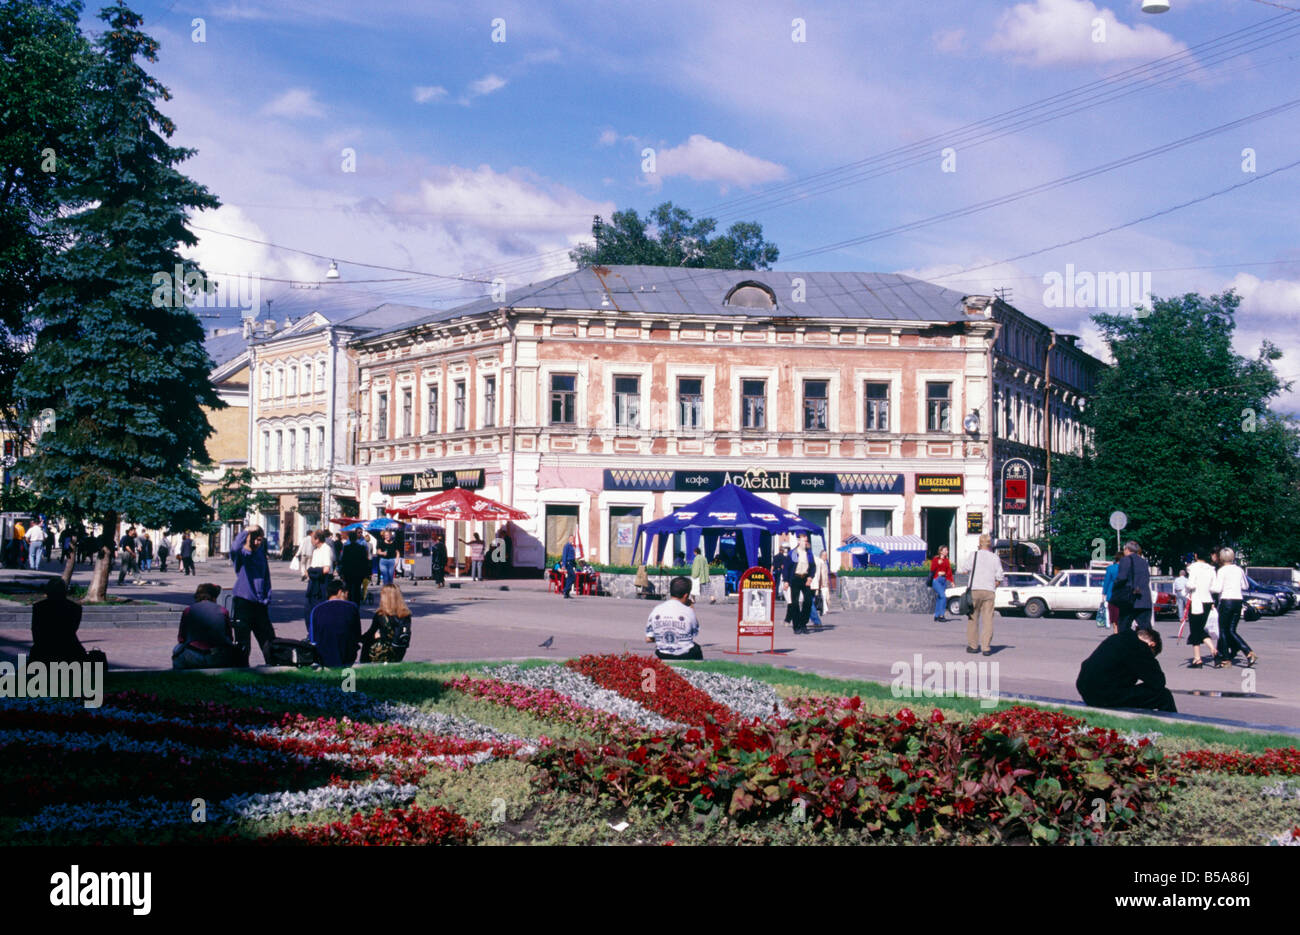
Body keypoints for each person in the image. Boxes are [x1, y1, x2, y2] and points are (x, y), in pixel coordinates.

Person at [1076, 628, 1176, 712]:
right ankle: (1173, 729)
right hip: (1104, 696)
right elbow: (1158, 682)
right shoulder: (1139, 647)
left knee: (1136, 692)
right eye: (1152, 655)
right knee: (1163, 695)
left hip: (1086, 690)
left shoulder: (1118, 638)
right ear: (1152, 644)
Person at [230, 526, 276, 665]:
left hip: (260, 603)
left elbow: (266, 576)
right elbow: (234, 548)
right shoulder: (242, 555)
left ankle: (274, 665)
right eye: (254, 540)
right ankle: (242, 669)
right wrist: (246, 530)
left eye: (260, 540)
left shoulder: (261, 554)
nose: (257, 543)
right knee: (243, 642)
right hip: (243, 601)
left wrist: (267, 596)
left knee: (268, 638)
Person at [172, 583, 240, 670]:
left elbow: (181, 638)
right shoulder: (223, 611)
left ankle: (179, 676)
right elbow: (229, 637)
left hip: (193, 655)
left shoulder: (188, 610)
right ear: (214, 597)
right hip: (217, 655)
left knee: (177, 650)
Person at [1212, 547, 1256, 668]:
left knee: (1223, 631)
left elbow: (1217, 589)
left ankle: (1226, 659)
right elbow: (1245, 586)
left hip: (1226, 601)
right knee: (1231, 630)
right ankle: (1248, 652)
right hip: (1238, 601)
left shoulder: (1222, 571)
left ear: (1221, 558)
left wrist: (1209, 586)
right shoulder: (1239, 570)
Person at [30, 577, 90, 664]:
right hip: (69, 648)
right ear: (65, 592)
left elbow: (35, 630)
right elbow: (72, 629)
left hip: (44, 647)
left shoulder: (39, 607)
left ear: (48, 591)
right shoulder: (75, 608)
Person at [962, 533, 1004, 656]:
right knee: (988, 619)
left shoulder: (973, 555)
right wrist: (995, 584)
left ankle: (973, 646)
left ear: (979, 544)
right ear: (990, 544)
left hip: (975, 590)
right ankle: (986, 647)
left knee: (973, 618)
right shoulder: (995, 558)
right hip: (989, 591)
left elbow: (965, 569)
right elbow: (1000, 576)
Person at [644, 575, 702, 660]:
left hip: (663, 653)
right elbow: (694, 632)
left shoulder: (657, 610)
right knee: (696, 648)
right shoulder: (688, 611)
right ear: (686, 595)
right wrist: (691, 608)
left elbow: (648, 638)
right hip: (684, 654)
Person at [308, 577, 362, 667]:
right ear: (340, 592)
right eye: (346, 593)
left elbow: (313, 637)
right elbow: (357, 634)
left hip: (323, 656)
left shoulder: (316, 610)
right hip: (347, 655)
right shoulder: (352, 607)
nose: (347, 596)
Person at [361, 584, 413, 663]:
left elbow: (370, 632)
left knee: (368, 642)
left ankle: (364, 664)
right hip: (399, 649)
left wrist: (359, 638)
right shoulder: (405, 614)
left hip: (384, 651)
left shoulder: (380, 615)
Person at [1185, 550, 1219, 668]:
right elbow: (1215, 588)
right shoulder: (1211, 569)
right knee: (1200, 629)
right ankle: (1213, 650)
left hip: (1196, 601)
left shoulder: (1193, 568)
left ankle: (1198, 658)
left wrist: (1188, 588)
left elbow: (1190, 584)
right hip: (1208, 601)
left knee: (1195, 629)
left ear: (1195, 555)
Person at [1111, 540, 1153, 634]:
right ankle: (1149, 646)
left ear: (1127, 549)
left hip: (1129, 600)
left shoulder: (1125, 560)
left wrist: (1115, 587)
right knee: (1146, 629)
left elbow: (1121, 578)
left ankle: (1127, 646)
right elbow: (1146, 579)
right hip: (1144, 599)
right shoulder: (1144, 562)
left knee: (1124, 627)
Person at [782, 533, 816, 635]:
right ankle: (796, 626)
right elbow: (787, 568)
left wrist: (810, 576)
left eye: (806, 541)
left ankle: (803, 623)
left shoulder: (809, 554)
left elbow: (813, 567)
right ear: (799, 541)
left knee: (808, 602)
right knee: (795, 603)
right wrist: (786, 581)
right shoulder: (793, 553)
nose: (805, 543)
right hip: (795, 578)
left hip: (805, 578)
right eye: (803, 541)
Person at [303, 529, 335, 628]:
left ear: (317, 539)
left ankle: (318, 632)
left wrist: (312, 571)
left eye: (312, 538)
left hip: (322, 583)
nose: (311, 540)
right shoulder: (316, 550)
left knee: (319, 608)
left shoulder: (326, 549)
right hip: (314, 582)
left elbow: (326, 569)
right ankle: (311, 633)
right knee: (309, 609)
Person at [339, 530, 371, 606]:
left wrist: (341, 572)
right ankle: (356, 605)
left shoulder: (346, 548)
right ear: (356, 538)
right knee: (357, 589)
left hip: (348, 572)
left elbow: (343, 561)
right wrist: (366, 572)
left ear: (349, 538)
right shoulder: (361, 548)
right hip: (358, 572)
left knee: (349, 589)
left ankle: (350, 604)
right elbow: (365, 561)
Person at [929, 544, 954, 622]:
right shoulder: (936, 559)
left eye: (947, 550)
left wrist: (952, 581)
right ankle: (941, 615)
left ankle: (936, 615)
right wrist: (937, 563)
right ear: (941, 551)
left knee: (940, 598)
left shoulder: (947, 560)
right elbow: (932, 569)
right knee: (943, 596)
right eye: (945, 550)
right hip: (936, 580)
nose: (947, 551)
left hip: (943, 580)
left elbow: (949, 571)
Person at [560, 534, 577, 599]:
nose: (572, 540)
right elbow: (564, 555)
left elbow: (573, 556)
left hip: (571, 563)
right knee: (573, 576)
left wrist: (575, 564)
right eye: (571, 538)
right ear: (568, 539)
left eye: (573, 539)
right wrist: (563, 565)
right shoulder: (567, 546)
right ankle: (565, 590)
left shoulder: (572, 546)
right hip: (568, 563)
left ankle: (566, 593)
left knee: (570, 577)